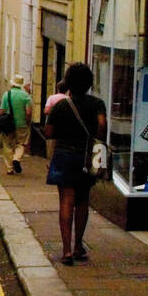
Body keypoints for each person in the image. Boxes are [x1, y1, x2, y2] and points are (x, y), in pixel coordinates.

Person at [44, 62, 107, 265]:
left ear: (68, 82)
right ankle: (79, 245)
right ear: (89, 83)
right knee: (82, 202)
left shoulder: (61, 105)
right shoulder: (97, 104)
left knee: (66, 201)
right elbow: (101, 125)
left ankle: (66, 251)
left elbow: (49, 133)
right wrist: (95, 143)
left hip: (64, 155)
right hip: (86, 156)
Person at [0, 76, 33, 175]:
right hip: (22, 124)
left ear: (12, 84)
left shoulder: (7, 94)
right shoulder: (26, 96)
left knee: (7, 145)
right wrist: (27, 122)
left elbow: (2, 111)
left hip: (8, 125)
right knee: (21, 144)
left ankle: (10, 168)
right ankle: (16, 158)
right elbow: (28, 112)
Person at [43, 79, 69, 159]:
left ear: (57, 88)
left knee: (52, 147)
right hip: (65, 126)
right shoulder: (69, 99)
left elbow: (46, 111)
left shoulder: (52, 98)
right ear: (67, 90)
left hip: (52, 126)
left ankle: (51, 162)